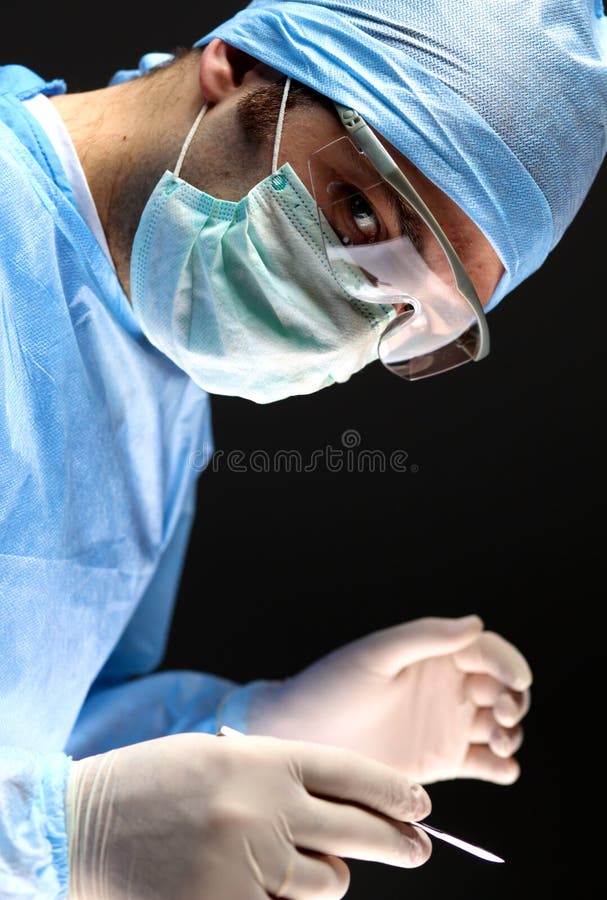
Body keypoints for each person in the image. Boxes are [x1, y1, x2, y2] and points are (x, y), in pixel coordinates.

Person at [0, 1, 604, 897]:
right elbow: (63, 818)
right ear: (237, 64)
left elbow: (40, 745)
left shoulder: (154, 394)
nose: (349, 315)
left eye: (409, 309)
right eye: (358, 210)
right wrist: (57, 840)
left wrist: (256, 730)